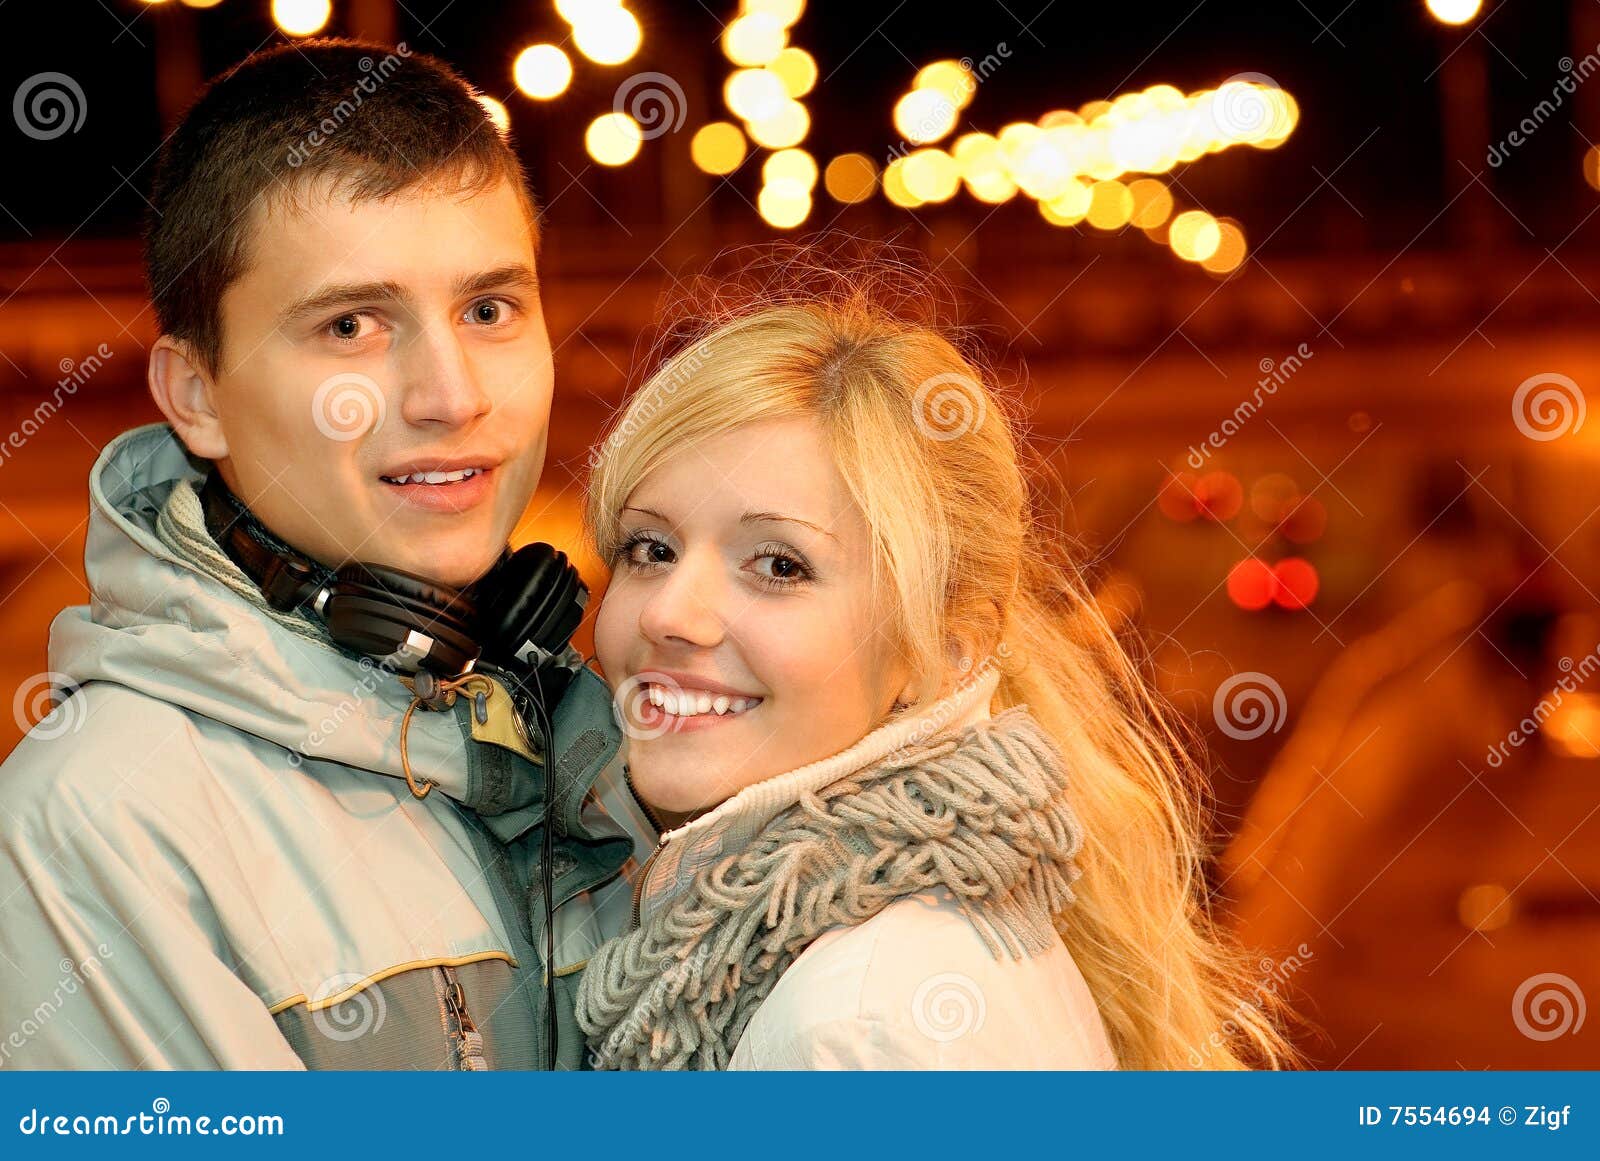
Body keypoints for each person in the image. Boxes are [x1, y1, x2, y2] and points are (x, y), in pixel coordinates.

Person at [0, 39, 653, 1070]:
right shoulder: (99, 825)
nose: (452, 396)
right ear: (196, 396)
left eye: (489, 310)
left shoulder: (619, 733)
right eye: (351, 324)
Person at [574, 249, 1300, 1069]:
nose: (669, 611)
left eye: (779, 565)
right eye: (650, 547)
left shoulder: (849, 1031)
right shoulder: (933, 933)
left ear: (947, 648)